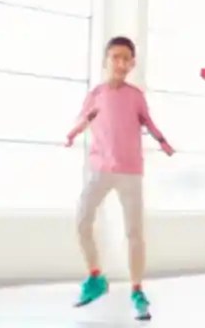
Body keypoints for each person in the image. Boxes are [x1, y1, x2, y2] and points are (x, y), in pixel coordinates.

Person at [66, 36, 175, 322]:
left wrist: (163, 142)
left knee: (134, 233)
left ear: (132, 63)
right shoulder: (97, 94)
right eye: (115, 57)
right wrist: (72, 134)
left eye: (126, 58)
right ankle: (95, 277)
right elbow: (85, 118)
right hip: (101, 168)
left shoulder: (135, 96)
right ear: (106, 60)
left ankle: (137, 291)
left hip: (130, 171)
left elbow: (148, 122)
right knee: (82, 219)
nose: (121, 63)